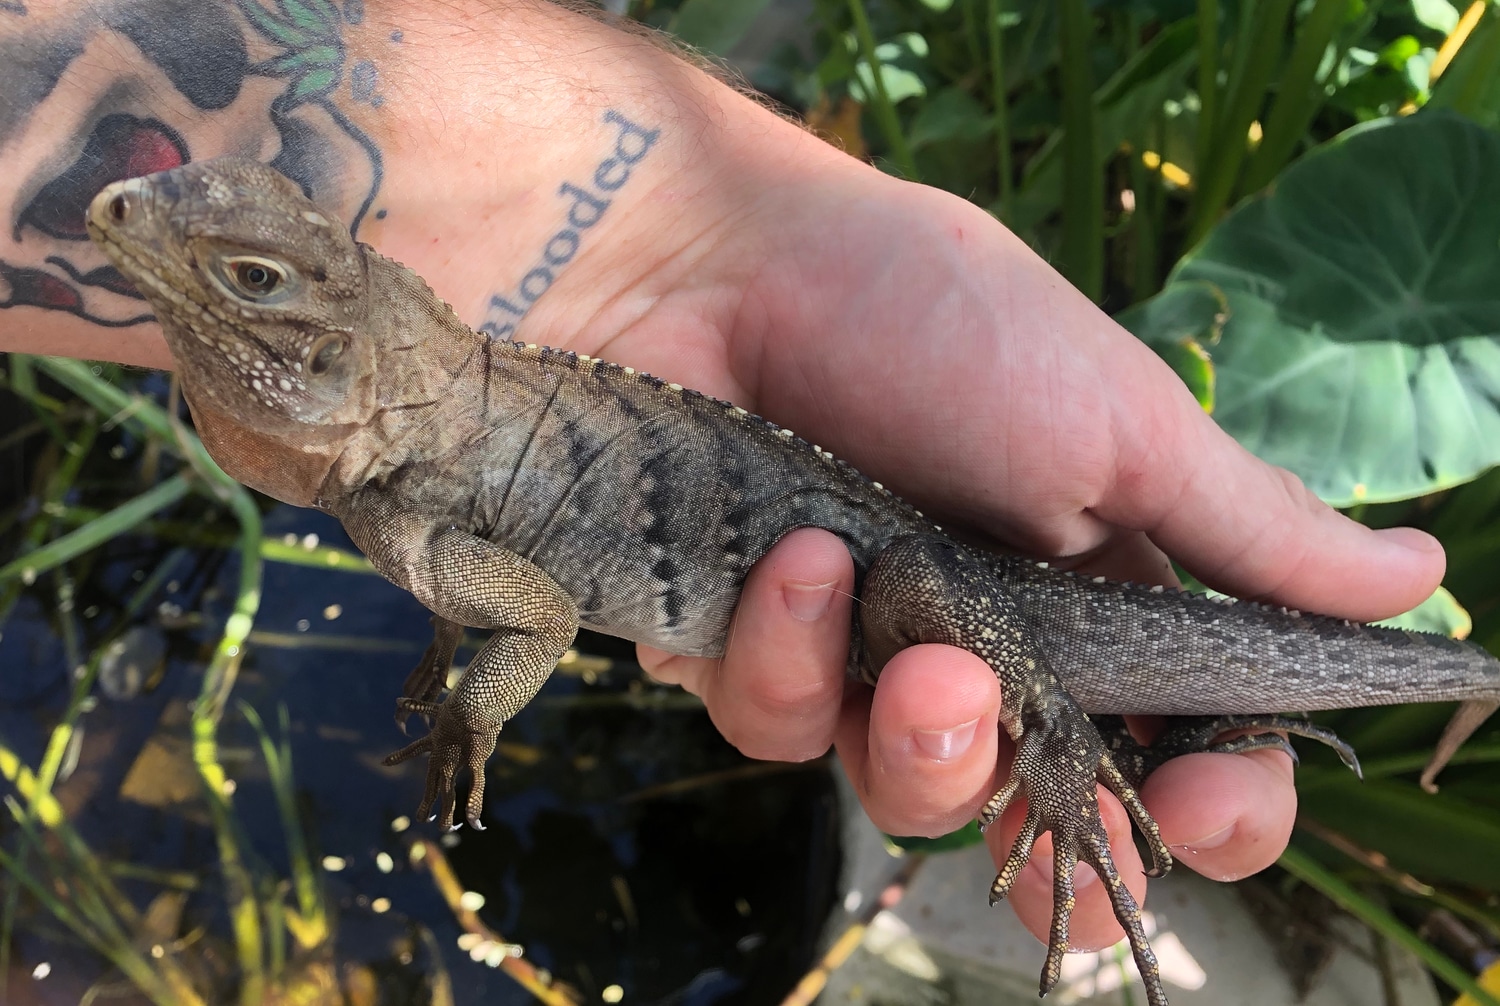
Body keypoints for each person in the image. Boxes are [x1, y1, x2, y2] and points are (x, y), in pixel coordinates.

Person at [0, 0, 1444, 957]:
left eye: (252, 276)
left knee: (944, 621)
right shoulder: (408, 461)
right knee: (928, 644)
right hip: (896, 588)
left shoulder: (418, 483)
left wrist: (479, 702)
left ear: (333, 345)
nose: (125, 211)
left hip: (942, 586)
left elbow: (537, 617)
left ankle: (1078, 738)